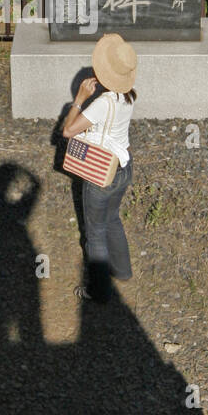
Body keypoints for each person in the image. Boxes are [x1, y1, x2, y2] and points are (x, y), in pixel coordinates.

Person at [62, 33, 137, 304]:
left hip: (100, 172)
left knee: (95, 231)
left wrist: (79, 99)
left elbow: (68, 130)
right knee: (113, 218)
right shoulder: (129, 97)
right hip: (124, 167)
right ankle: (123, 270)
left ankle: (100, 291)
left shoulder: (102, 104)